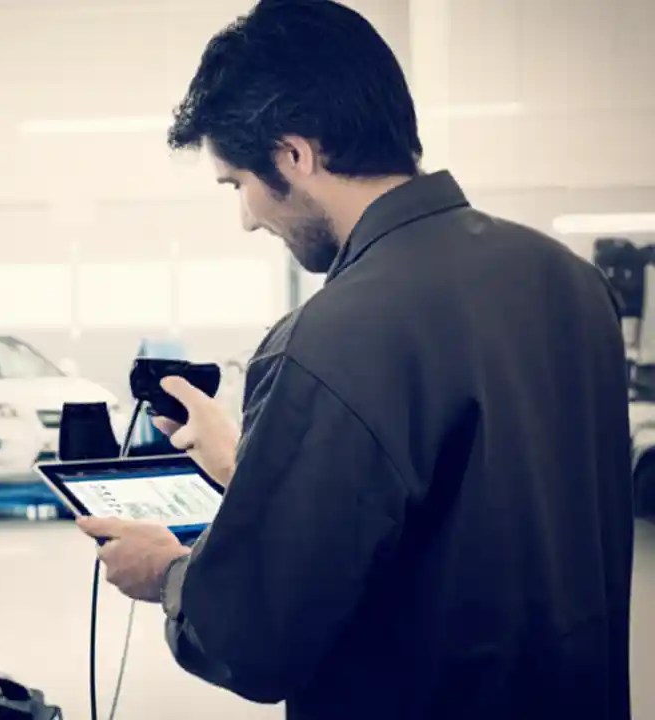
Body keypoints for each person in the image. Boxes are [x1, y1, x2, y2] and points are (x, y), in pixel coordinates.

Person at [75, 1, 635, 718]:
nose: (247, 216)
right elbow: (461, 517)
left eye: (237, 184)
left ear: (294, 155)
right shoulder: (571, 283)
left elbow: (251, 638)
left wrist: (168, 575)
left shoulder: (326, 341)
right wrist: (248, 469)